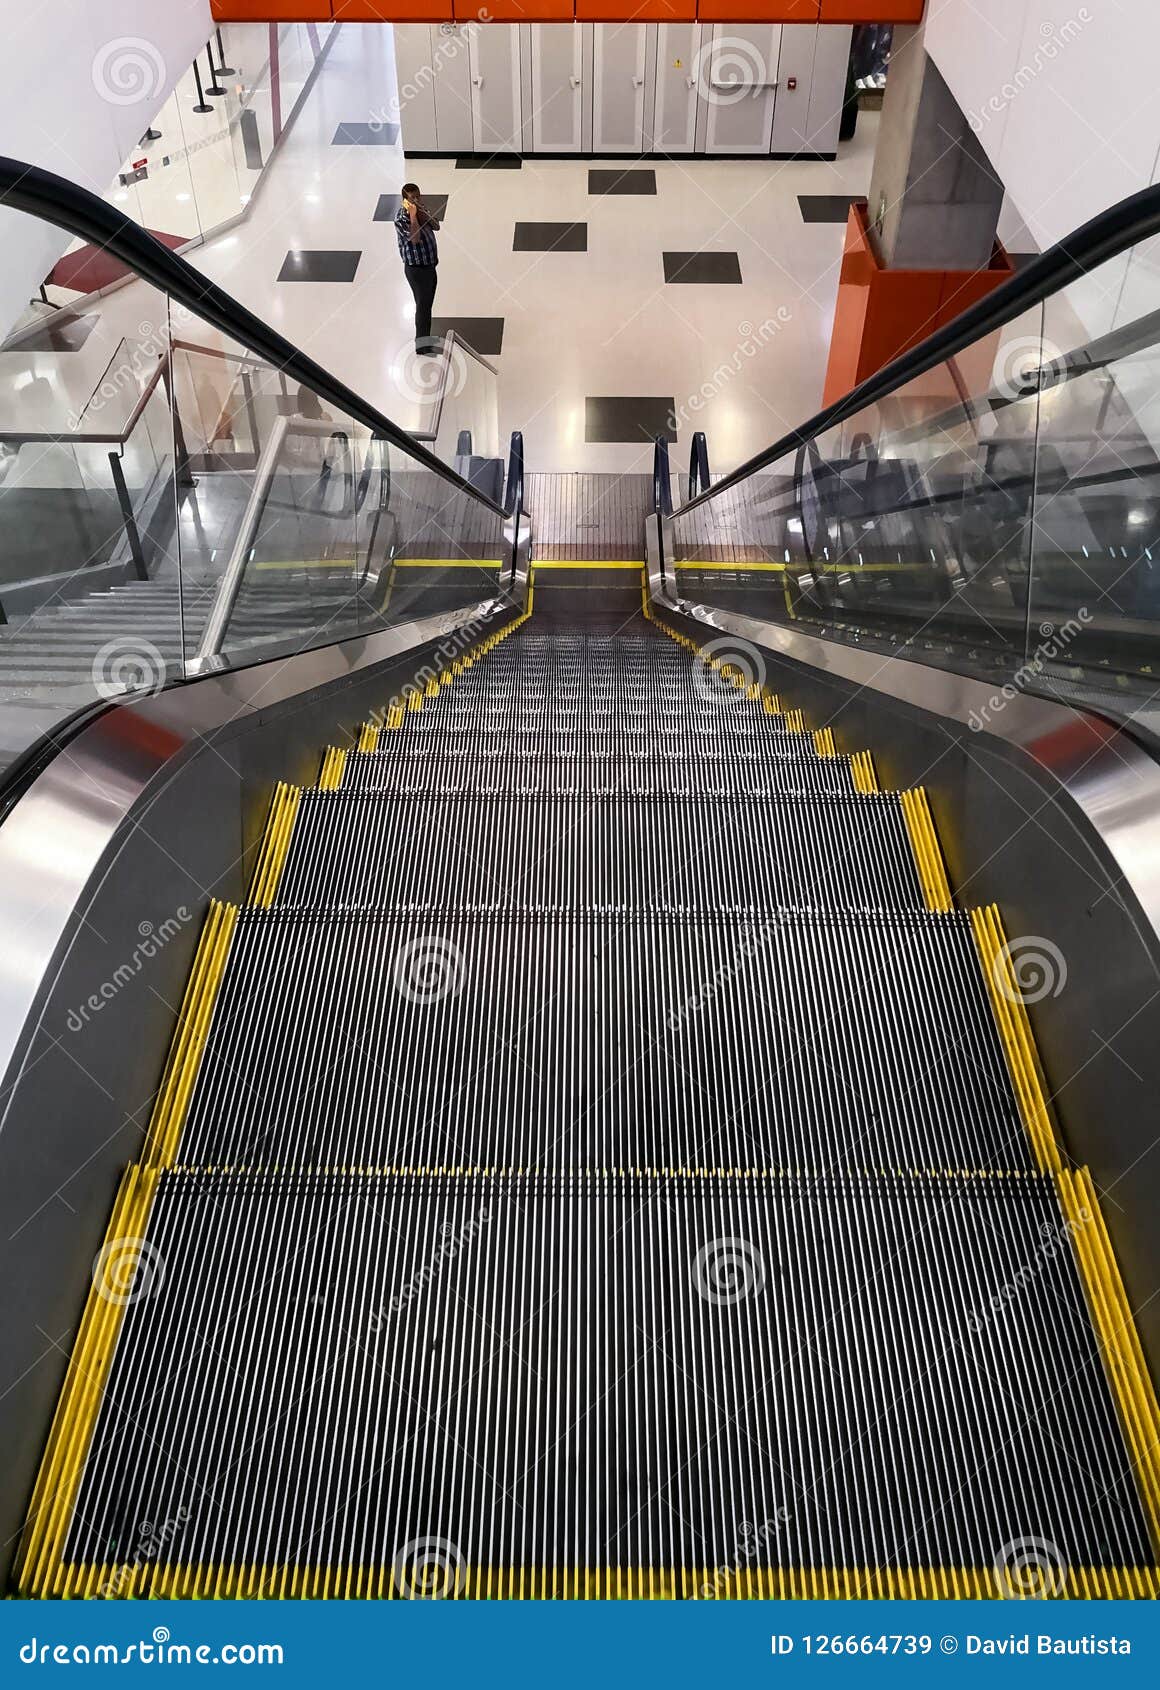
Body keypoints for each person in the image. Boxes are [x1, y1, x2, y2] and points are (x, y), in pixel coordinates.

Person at [394, 183, 441, 355]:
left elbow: (436, 226)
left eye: (417, 196)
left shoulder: (421, 209)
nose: (416, 200)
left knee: (427, 305)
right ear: (405, 200)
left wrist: (421, 213)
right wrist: (413, 217)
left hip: (430, 265)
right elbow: (414, 239)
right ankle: (422, 346)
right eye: (411, 198)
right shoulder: (401, 219)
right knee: (423, 307)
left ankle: (425, 338)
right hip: (417, 270)